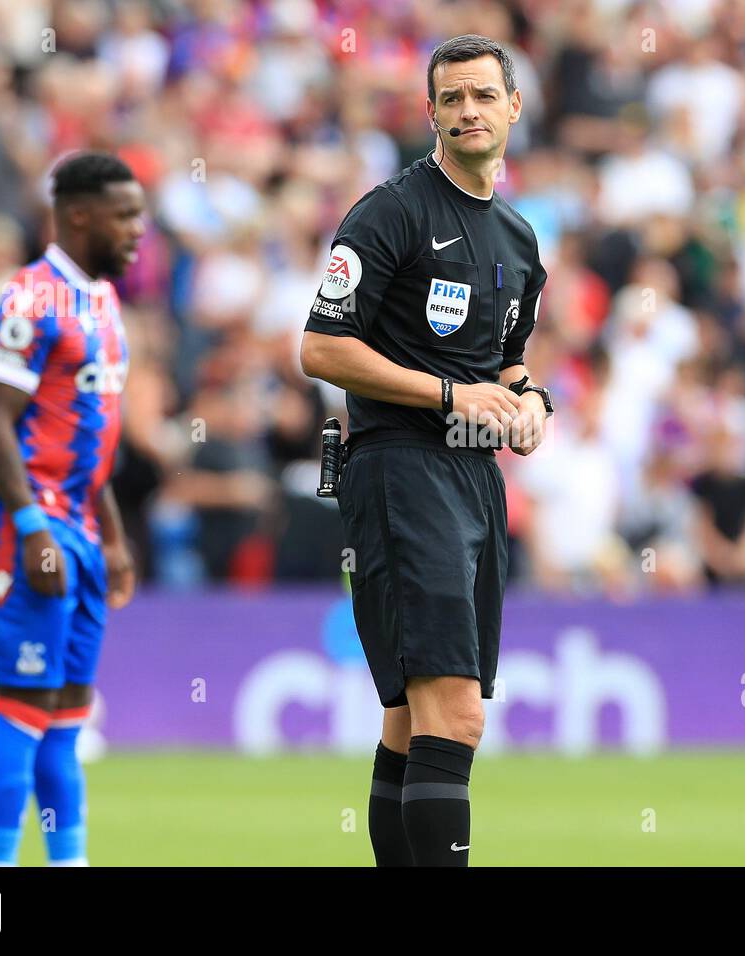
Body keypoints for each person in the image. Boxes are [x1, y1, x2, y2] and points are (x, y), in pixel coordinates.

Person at [300, 35, 553, 867]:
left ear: (514, 106)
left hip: (475, 477)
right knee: (457, 717)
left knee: (412, 725)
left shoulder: (518, 241)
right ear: (432, 113)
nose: (468, 112)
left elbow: (505, 364)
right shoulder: (392, 212)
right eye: (451, 99)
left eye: (483, 95)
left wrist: (530, 402)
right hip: (401, 468)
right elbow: (322, 348)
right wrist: (451, 395)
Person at [0, 152, 143, 866]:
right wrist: (32, 525)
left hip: (83, 526)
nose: (138, 231)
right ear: (78, 215)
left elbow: (88, 434)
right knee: (23, 705)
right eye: (124, 216)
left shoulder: (102, 300)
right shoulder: (30, 297)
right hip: (25, 525)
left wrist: (116, 535)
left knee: (68, 716)